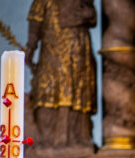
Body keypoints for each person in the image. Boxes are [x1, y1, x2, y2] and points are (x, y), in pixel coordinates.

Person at [26, 0, 98, 149]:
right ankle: (49, 139)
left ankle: (76, 137)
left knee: (77, 91)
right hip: (53, 48)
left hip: (78, 48)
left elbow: (92, 17)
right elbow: (36, 19)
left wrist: (87, 13)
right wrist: (31, 47)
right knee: (49, 90)